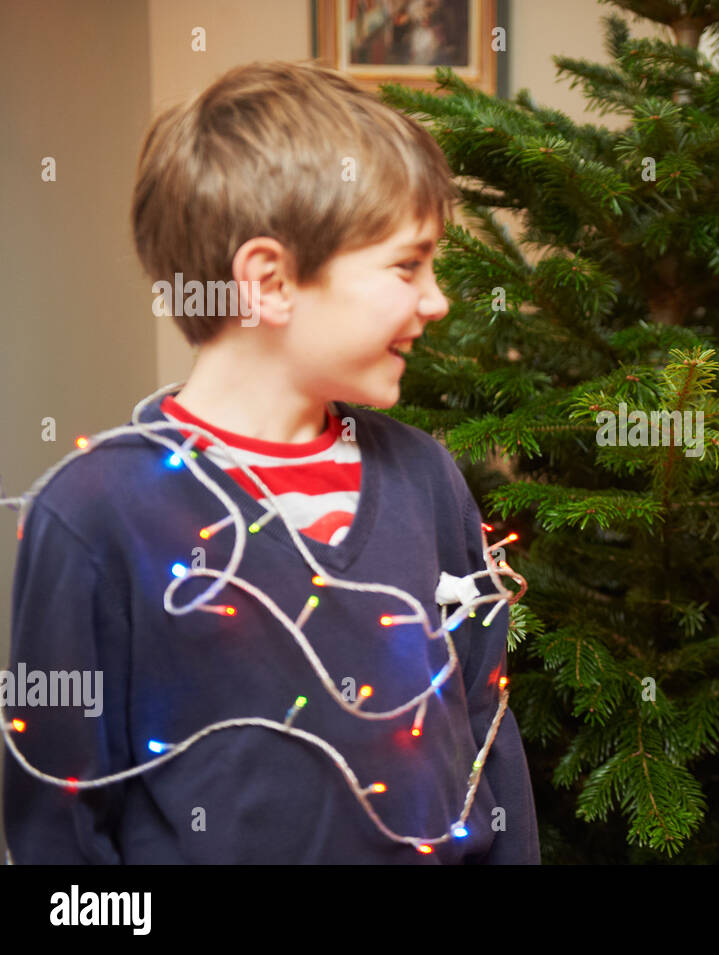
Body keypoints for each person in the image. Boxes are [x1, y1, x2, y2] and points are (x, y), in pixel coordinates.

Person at [2, 61, 540, 864]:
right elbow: (60, 832)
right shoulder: (94, 515)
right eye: (406, 265)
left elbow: (486, 738)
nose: (437, 300)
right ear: (270, 281)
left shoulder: (426, 479)